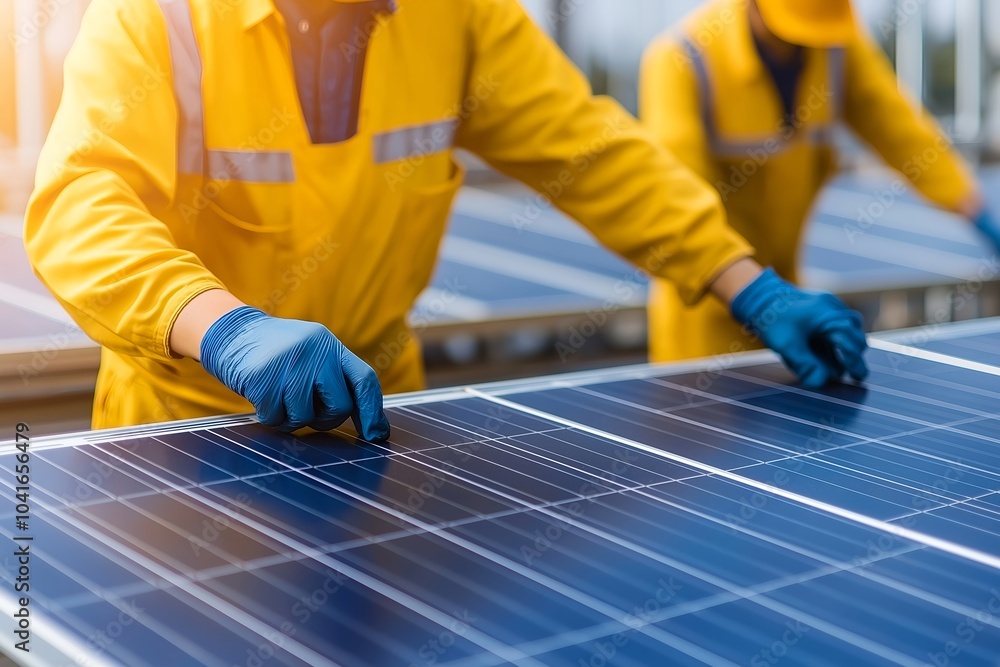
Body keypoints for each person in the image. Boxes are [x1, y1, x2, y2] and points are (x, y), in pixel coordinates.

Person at [24, 0, 868, 441]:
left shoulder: (453, 14)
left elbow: (592, 151)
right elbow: (81, 205)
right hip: (183, 429)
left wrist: (745, 283)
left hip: (378, 412)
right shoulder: (156, 15)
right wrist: (227, 330)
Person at [641, 0, 998, 365]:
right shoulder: (683, 59)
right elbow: (676, 194)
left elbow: (897, 127)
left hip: (790, 300)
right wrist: (754, 294)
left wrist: (974, 208)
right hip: (707, 303)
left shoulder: (835, 45)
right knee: (705, 415)